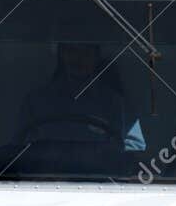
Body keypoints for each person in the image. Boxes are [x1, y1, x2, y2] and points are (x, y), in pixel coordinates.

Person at [17, 42, 146, 153]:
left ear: (97, 56)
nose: (78, 58)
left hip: (101, 175)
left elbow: (134, 150)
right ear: (61, 54)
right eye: (71, 50)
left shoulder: (116, 103)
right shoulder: (36, 101)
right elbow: (19, 150)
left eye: (86, 51)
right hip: (45, 175)